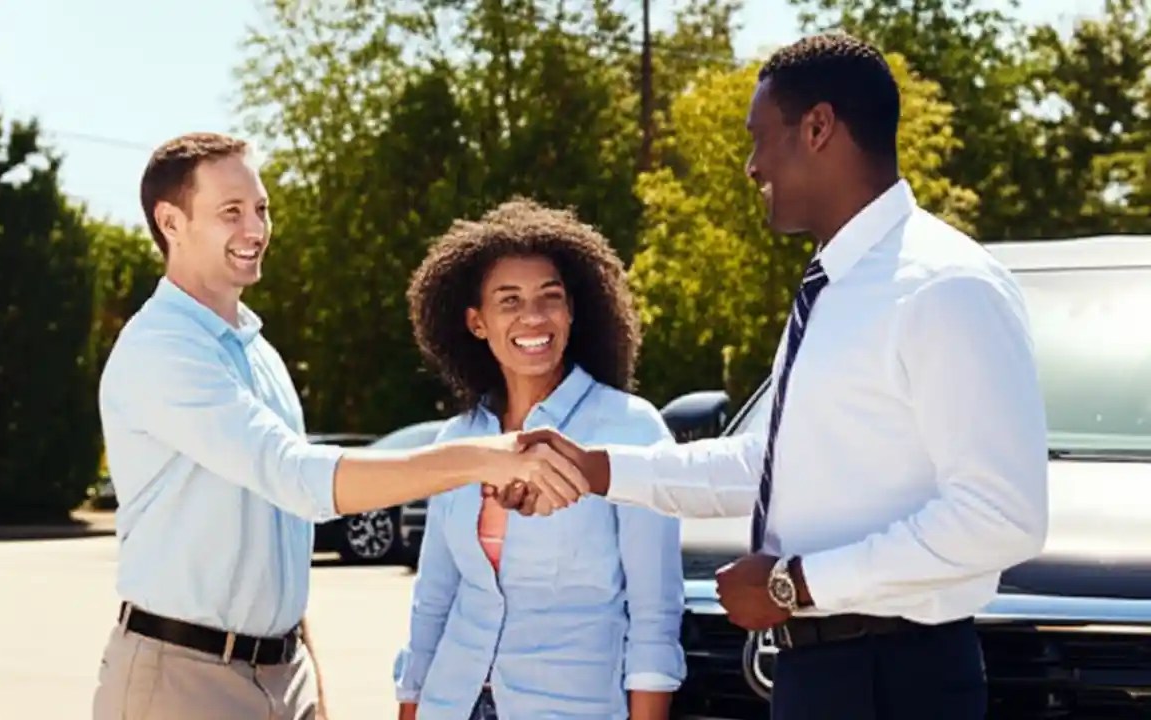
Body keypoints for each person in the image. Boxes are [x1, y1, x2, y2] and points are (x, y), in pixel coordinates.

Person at [507, 33, 1049, 720]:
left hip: (895, 682)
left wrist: (795, 586)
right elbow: (767, 465)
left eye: (759, 138)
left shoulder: (947, 286)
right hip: (817, 674)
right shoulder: (836, 287)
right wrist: (593, 469)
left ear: (818, 128)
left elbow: (1003, 517)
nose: (750, 165)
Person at [92, 133, 588, 720]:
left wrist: (308, 684)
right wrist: (483, 457)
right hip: (183, 681)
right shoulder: (162, 350)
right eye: (232, 212)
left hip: (283, 673)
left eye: (261, 208)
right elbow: (300, 478)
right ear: (170, 222)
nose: (256, 229)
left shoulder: (257, 353)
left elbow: (283, 533)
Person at [392, 200, 686, 720]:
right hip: (451, 704)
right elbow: (433, 597)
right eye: (509, 301)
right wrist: (411, 703)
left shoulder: (631, 431)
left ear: (573, 311)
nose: (533, 316)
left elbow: (654, 614)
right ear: (477, 322)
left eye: (549, 298)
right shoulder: (458, 438)